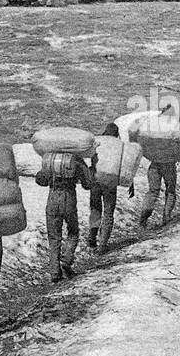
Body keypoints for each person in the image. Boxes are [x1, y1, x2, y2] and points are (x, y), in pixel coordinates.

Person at [36, 152, 92, 283]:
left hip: (52, 197)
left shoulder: (50, 159)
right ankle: (66, 260)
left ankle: (55, 272)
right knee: (73, 232)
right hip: (69, 198)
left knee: (54, 237)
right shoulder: (76, 160)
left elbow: (41, 180)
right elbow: (87, 184)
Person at [87, 121, 121, 253]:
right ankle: (102, 244)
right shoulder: (118, 146)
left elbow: (91, 159)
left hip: (96, 180)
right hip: (110, 182)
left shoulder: (97, 143)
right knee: (108, 212)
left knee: (95, 209)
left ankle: (92, 235)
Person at [139, 157, 177, 228]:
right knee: (170, 191)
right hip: (169, 165)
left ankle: (143, 220)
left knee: (153, 192)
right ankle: (167, 217)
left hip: (154, 164)